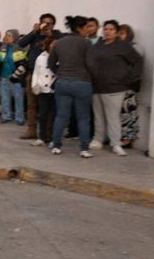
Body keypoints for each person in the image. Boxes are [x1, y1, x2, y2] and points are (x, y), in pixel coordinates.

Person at [89, 20, 143, 156]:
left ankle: (116, 143)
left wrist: (129, 79)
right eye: (105, 29)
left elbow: (137, 61)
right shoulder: (98, 45)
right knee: (98, 116)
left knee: (113, 117)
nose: (107, 32)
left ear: (117, 32)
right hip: (97, 87)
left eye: (111, 29)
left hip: (115, 88)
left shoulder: (123, 46)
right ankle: (98, 139)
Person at [48, 15, 98, 158]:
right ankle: (84, 148)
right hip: (82, 83)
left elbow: (51, 63)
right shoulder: (86, 43)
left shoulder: (59, 43)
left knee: (61, 116)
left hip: (62, 82)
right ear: (79, 28)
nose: (88, 30)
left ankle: (56, 145)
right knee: (83, 117)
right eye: (86, 27)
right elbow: (91, 65)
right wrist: (92, 77)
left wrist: (60, 72)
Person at [17, 13, 62, 140]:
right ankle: (31, 130)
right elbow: (21, 43)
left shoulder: (57, 35)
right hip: (33, 73)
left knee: (48, 107)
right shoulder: (35, 35)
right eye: (44, 23)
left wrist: (50, 35)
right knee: (32, 104)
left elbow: (62, 42)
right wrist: (34, 31)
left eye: (49, 23)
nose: (46, 25)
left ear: (53, 24)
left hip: (50, 76)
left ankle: (47, 132)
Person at [117, 24, 143, 147]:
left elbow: (135, 67)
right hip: (117, 85)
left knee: (128, 111)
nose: (120, 36)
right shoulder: (116, 47)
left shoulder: (135, 48)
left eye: (122, 33)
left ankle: (128, 138)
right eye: (119, 33)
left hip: (129, 85)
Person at [30, 36, 57, 148]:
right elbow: (36, 72)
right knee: (43, 114)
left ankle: (52, 138)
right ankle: (41, 137)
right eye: (52, 44)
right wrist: (35, 85)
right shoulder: (41, 57)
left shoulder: (60, 57)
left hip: (54, 89)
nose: (54, 46)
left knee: (54, 115)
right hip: (43, 89)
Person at [0, 29, 27, 125]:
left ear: (15, 37)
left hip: (16, 78)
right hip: (4, 77)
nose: (7, 37)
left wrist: (16, 75)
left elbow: (24, 64)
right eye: (6, 35)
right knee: (5, 98)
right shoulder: (3, 47)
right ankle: (6, 116)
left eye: (9, 35)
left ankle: (19, 118)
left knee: (18, 99)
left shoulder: (20, 48)